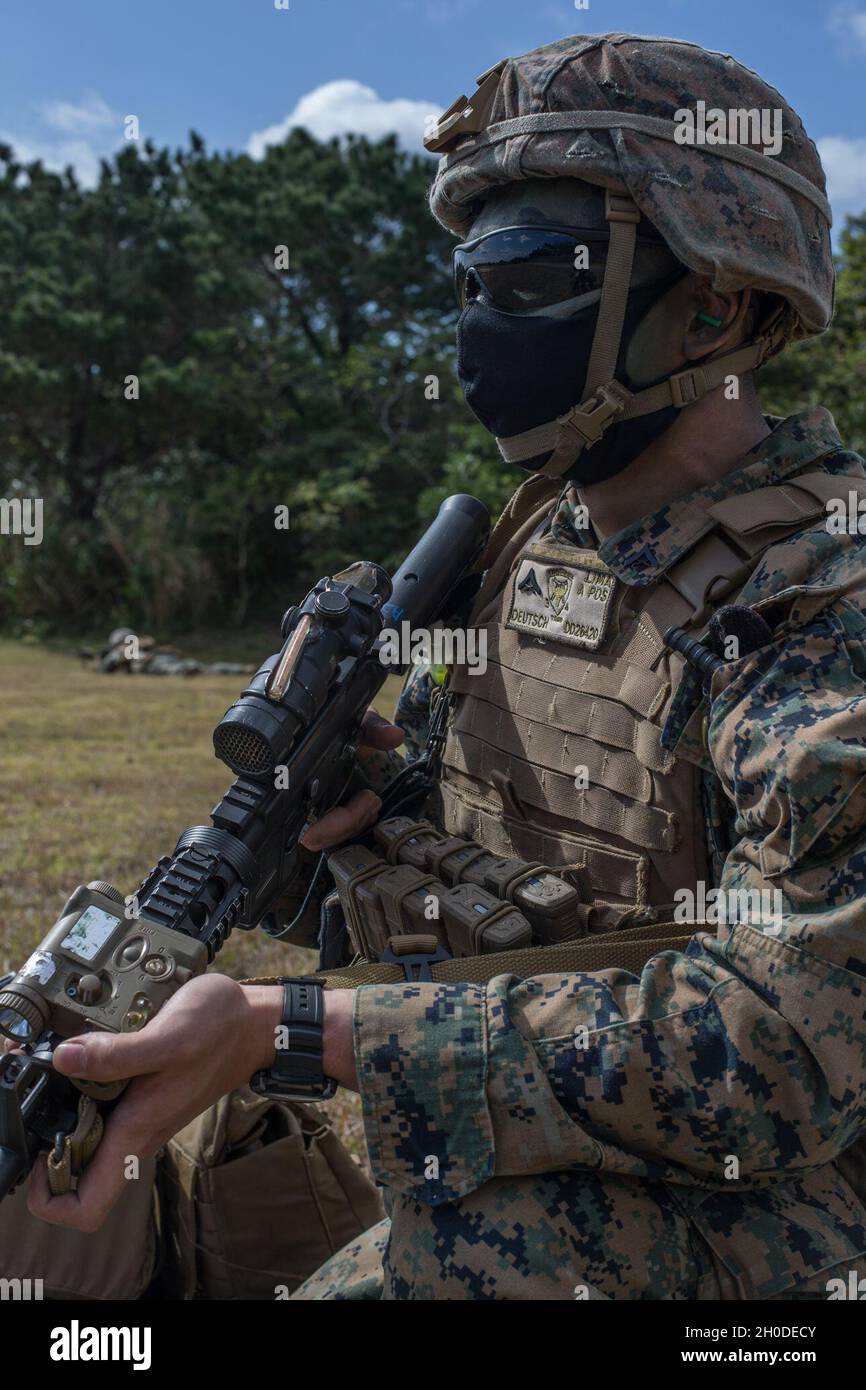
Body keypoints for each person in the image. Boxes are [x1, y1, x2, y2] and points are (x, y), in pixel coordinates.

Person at [25, 33, 866, 1300]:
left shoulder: (820, 597)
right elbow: (551, 903)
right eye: (466, 271)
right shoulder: (536, 543)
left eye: (530, 270)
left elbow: (773, 1057)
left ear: (717, 301)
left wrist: (285, 1032)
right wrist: (374, 833)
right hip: (546, 1147)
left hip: (774, 1201)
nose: (479, 316)